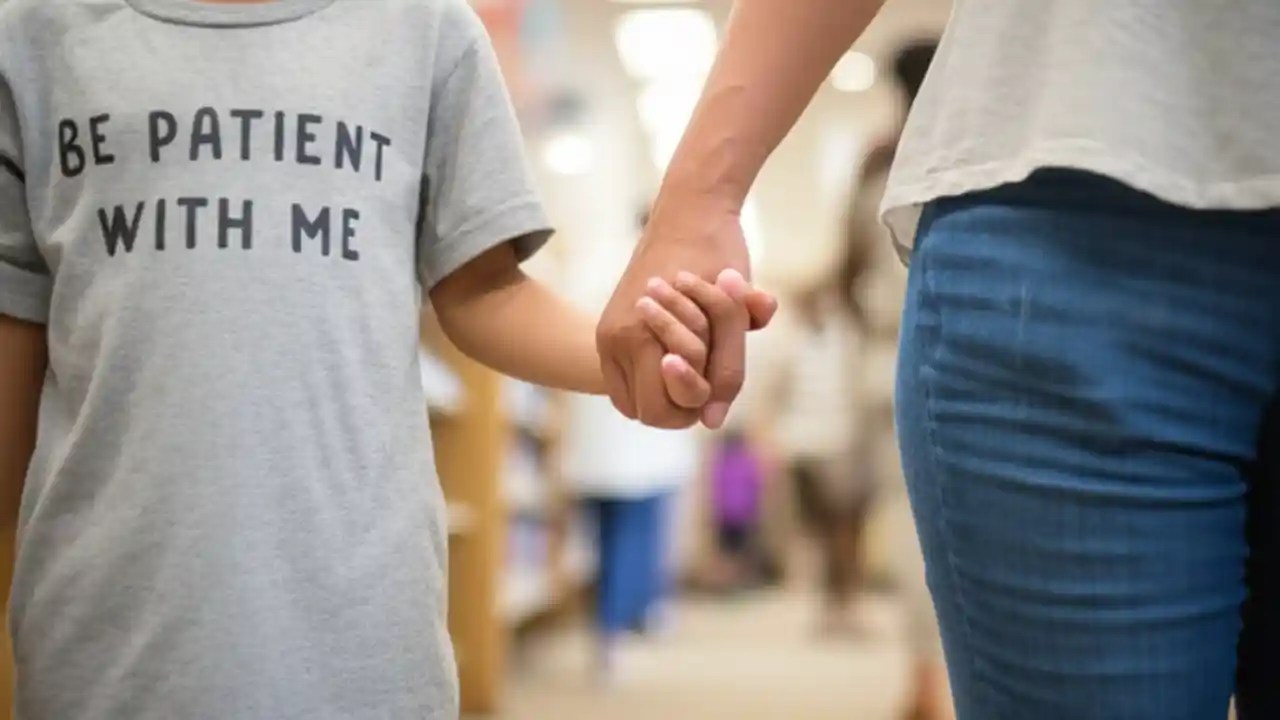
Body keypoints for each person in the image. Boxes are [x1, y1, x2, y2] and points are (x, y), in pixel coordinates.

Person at [0, 1, 770, 717]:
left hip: (360, 634)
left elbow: (483, 289)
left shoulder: (425, 29)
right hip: (104, 636)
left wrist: (624, 359)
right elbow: (16, 330)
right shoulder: (29, 35)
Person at [601, 1, 1280, 718]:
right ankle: (910, 663)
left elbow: (846, 268)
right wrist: (702, 195)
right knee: (882, 525)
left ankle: (909, 663)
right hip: (1061, 210)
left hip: (1023, 280)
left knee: (886, 525)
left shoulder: (869, 170)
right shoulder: (874, 169)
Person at [841, 40, 949, 720]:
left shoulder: (877, 169)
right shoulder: (964, 161)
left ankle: (924, 681)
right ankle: (937, 683)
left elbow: (845, 273)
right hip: (956, 353)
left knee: (913, 531)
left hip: (887, 364)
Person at [561, 207, 700, 682]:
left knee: (603, 539)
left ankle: (610, 630)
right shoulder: (667, 275)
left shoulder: (594, 265)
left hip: (600, 438)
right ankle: (621, 630)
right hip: (640, 437)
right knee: (635, 536)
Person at [758, 283, 870, 635]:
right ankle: (829, 606)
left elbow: (860, 392)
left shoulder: (849, 340)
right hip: (804, 447)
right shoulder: (791, 344)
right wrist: (768, 439)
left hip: (842, 445)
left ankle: (845, 604)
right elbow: (774, 392)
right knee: (820, 531)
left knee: (846, 531)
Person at [706, 429, 765, 592]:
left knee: (729, 552)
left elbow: (716, 490)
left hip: (727, 517)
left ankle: (729, 583)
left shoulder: (721, 464)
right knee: (741, 551)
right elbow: (755, 487)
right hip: (742, 516)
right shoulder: (746, 462)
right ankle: (738, 583)